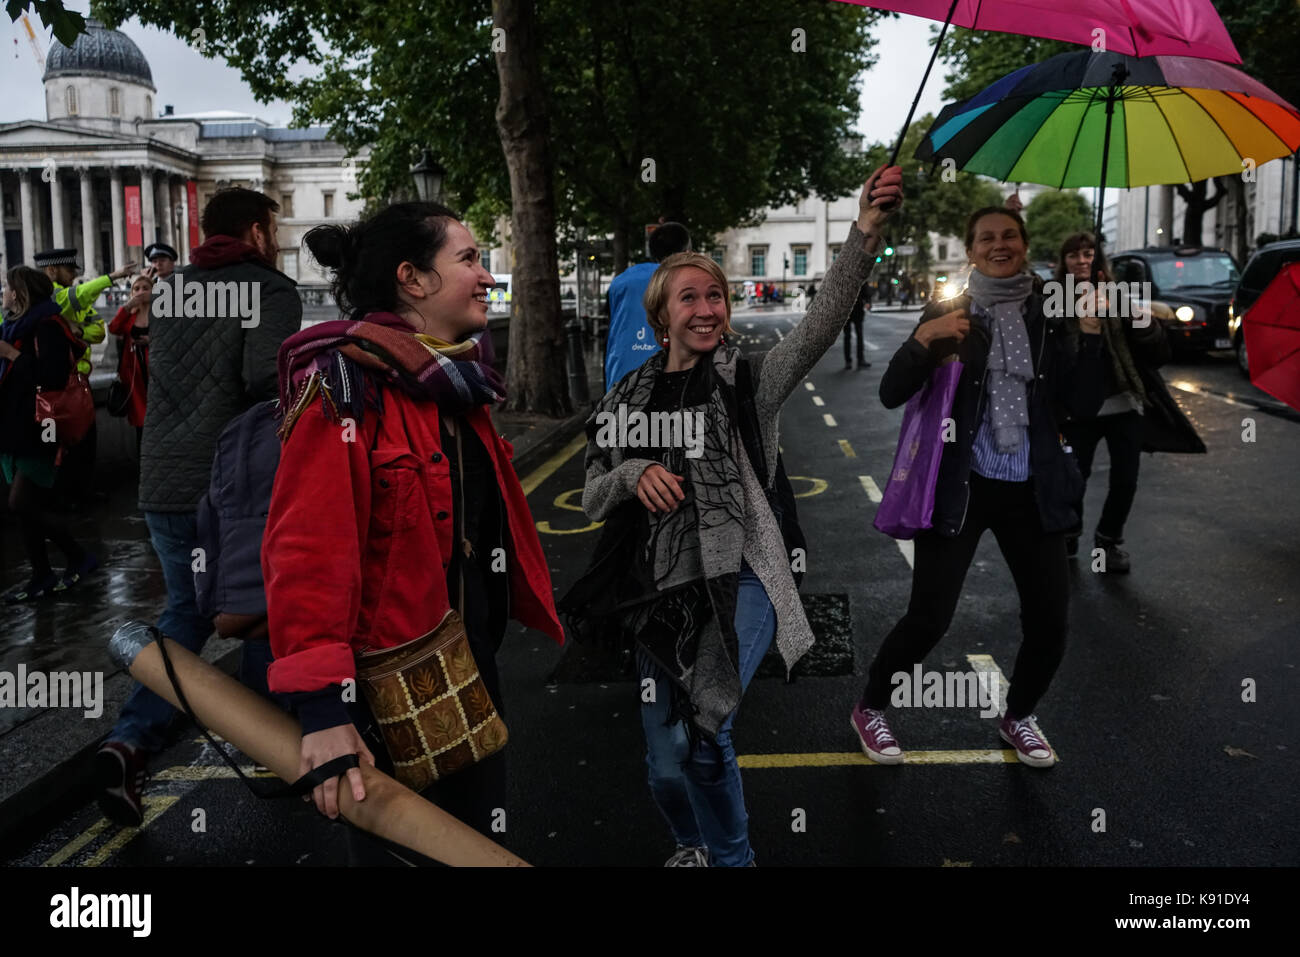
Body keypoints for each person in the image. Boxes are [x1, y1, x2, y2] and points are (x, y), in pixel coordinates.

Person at [569, 165, 903, 866]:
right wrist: (633, 473)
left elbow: (824, 319)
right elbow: (593, 492)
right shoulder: (626, 396)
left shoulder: (753, 380)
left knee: (705, 725)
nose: (706, 308)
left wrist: (865, 229)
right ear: (662, 316)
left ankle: (734, 858)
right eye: (689, 296)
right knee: (665, 762)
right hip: (655, 587)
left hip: (741, 574)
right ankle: (691, 839)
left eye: (715, 295)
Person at [263, 201, 564, 842]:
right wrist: (323, 708)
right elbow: (309, 549)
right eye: (469, 260)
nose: (487, 277)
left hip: (465, 670)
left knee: (477, 843)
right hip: (383, 700)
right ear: (414, 279)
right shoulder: (345, 385)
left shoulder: (456, 383)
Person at [850, 206, 1088, 770]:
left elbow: (1078, 403)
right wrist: (924, 339)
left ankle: (1019, 715)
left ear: (1026, 244)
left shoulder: (1055, 312)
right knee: (930, 617)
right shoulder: (950, 309)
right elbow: (891, 392)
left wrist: (1091, 336)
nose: (999, 244)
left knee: (1050, 620)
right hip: (962, 483)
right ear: (971, 249)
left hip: (1032, 486)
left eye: (1009, 235)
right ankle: (871, 706)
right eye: (987, 238)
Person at [95, 187, 302, 826]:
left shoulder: (174, 289)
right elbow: (269, 381)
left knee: (186, 609)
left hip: (163, 478)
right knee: (263, 607)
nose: (276, 236)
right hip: (235, 486)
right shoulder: (270, 290)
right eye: (273, 225)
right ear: (255, 230)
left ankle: (130, 741)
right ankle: (283, 746)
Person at [1054, 232, 1202, 572]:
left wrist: (1140, 320)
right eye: (1073, 255)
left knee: (1126, 479)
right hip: (1080, 409)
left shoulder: (1117, 296)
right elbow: (1055, 358)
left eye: (1088, 253)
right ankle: (1069, 533)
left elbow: (1156, 353)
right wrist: (1082, 324)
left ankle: (1108, 542)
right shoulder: (1055, 300)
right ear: (1063, 263)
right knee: (1076, 475)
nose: (1081, 261)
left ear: (1099, 258)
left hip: (1125, 403)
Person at [0, 267, 98, 602]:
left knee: (23, 501)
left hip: (43, 426)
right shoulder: (12, 327)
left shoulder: (47, 326)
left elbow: (52, 378)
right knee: (25, 506)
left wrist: (12, 355)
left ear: (21, 293)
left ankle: (78, 557)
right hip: (14, 427)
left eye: (7, 288)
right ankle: (41, 573)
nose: (3, 293)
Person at [35, 247, 136, 505]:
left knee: (84, 441)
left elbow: (99, 331)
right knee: (61, 445)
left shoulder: (68, 300)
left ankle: (79, 493)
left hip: (79, 382)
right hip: (54, 386)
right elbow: (80, 294)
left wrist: (77, 333)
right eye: (69, 270)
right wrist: (112, 277)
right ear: (51, 270)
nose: (73, 276)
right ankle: (64, 497)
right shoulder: (52, 298)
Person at [605, 222, 692, 390]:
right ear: (686, 252)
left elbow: (612, 333)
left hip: (620, 384)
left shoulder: (622, 281)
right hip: (670, 387)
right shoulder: (684, 280)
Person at [107, 274, 153, 443]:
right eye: (136, 289)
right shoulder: (130, 315)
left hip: (156, 372)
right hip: (135, 376)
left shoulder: (160, 314)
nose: (140, 292)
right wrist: (126, 308)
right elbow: (113, 328)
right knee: (141, 426)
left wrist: (152, 340)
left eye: (145, 288)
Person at [843, 286, 872, 370]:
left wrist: (867, 301)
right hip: (847, 309)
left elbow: (866, 291)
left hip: (856, 308)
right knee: (849, 336)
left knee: (857, 335)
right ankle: (850, 361)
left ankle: (858, 360)